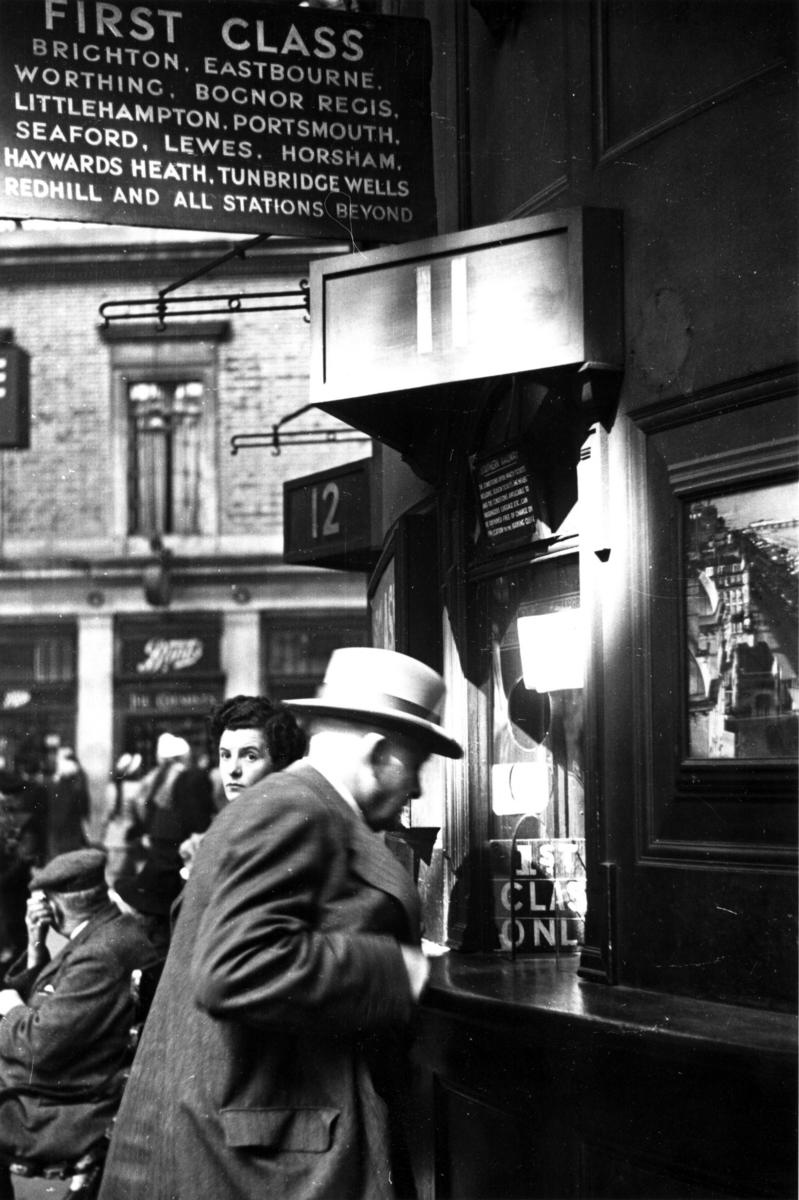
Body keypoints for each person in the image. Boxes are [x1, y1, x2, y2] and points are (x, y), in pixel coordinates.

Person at [98, 648, 462, 1200]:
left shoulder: (297, 806)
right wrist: (399, 969)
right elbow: (235, 967)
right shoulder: (295, 809)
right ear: (378, 751)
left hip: (258, 1141)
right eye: (414, 765)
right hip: (263, 1156)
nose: (414, 787)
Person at [0, 848, 161, 1200]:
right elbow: (49, 994)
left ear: (53, 904)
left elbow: (39, 1046)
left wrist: (9, 1007)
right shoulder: (110, 931)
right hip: (70, 1080)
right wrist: (35, 942)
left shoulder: (98, 955)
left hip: (59, 1102)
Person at [178, 694, 307, 879]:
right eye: (225, 755)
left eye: (250, 756)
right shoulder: (231, 826)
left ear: (280, 763)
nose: (233, 770)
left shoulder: (282, 836)